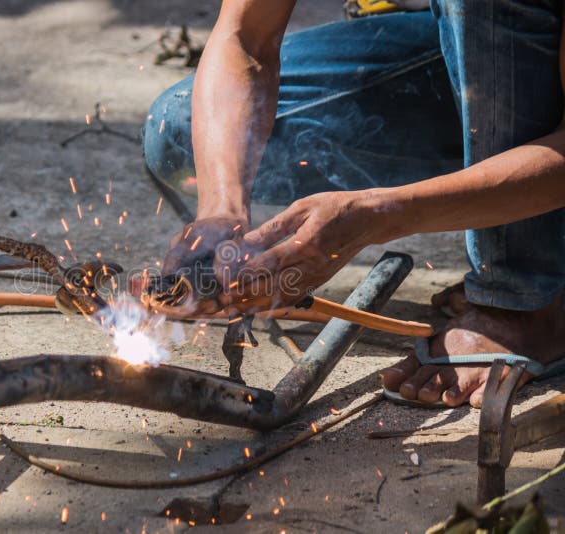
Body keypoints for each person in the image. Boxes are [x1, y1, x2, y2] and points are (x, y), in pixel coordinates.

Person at [142, 0, 565, 408]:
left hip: (528, 52)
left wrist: (380, 215)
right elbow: (243, 38)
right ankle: (491, 185)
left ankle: (524, 303)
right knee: (180, 130)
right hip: (439, 48)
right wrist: (223, 207)